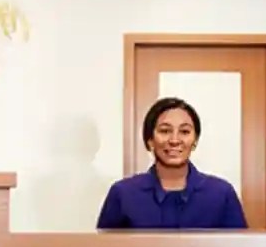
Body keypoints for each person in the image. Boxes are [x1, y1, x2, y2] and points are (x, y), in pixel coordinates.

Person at [96, 97, 248, 230]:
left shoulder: (221, 194)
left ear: (195, 141)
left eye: (184, 132)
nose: (175, 140)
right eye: (165, 131)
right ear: (150, 141)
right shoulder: (123, 193)